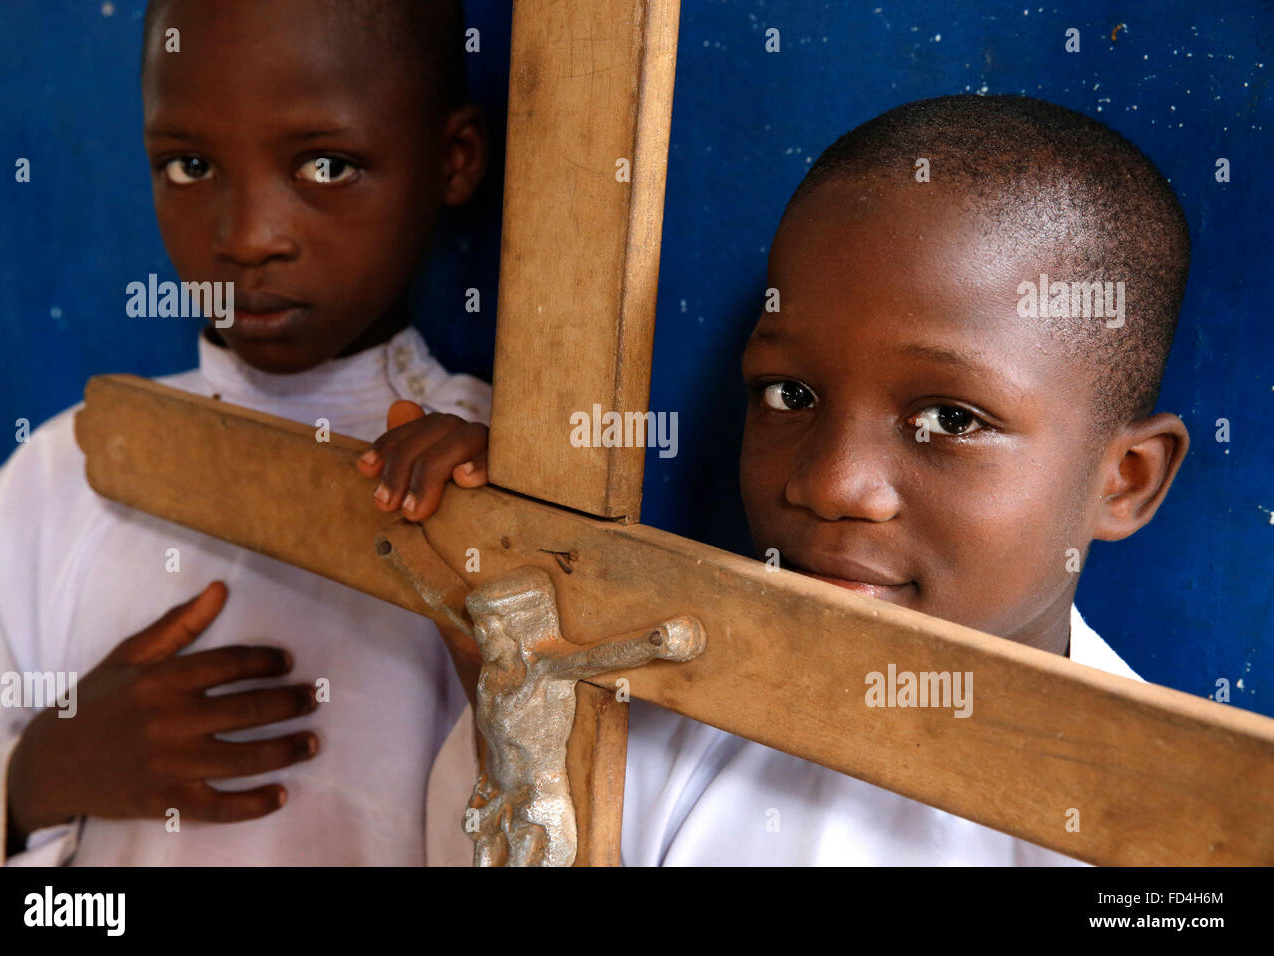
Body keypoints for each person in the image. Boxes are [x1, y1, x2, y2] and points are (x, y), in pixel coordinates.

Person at [404, 95, 1192, 865]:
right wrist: (506, 704)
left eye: (951, 419)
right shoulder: (644, 731)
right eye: (791, 395)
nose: (832, 484)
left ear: (1124, 482)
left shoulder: (1173, 829)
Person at [0, 0, 492, 866]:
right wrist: (38, 775)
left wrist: (498, 581)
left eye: (326, 165)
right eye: (188, 165)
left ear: (453, 160)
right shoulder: (59, 475)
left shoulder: (499, 478)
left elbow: (574, 816)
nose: (247, 238)